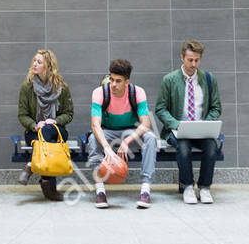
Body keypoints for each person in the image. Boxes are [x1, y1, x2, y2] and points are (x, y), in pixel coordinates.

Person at [156, 39, 223, 205]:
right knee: (184, 147)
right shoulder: (169, 80)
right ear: (182, 57)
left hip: (201, 129)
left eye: (197, 60)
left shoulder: (208, 79)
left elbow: (215, 107)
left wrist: (207, 124)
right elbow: (161, 109)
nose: (193, 64)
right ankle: (187, 187)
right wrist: (175, 124)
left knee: (211, 146)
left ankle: (205, 187)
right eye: (190, 60)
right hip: (177, 130)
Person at [87, 58, 157, 209]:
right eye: (111, 79)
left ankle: (145, 190)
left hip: (129, 130)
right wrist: (106, 147)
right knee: (93, 138)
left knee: (150, 138)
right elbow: (95, 125)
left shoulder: (137, 92)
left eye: (118, 81)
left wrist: (127, 141)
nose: (113, 84)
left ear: (127, 82)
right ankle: (100, 191)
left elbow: (146, 124)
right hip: (108, 131)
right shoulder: (99, 93)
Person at [17, 48, 74, 201]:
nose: (34, 64)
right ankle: (48, 185)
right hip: (34, 131)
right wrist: (35, 125)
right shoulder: (27, 87)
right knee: (47, 141)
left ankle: (31, 164)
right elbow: (22, 115)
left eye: (39, 62)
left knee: (48, 131)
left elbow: (68, 114)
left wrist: (55, 121)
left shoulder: (62, 87)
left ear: (48, 66)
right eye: (34, 61)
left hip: (58, 130)